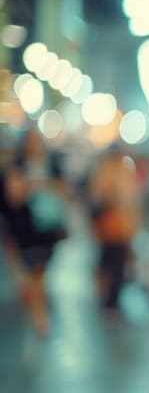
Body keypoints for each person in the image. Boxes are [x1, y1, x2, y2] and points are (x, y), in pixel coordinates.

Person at [2, 130, 68, 335]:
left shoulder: (51, 164)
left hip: (46, 229)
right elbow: (13, 196)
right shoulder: (17, 167)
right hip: (24, 228)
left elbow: (63, 192)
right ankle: (39, 315)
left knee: (39, 274)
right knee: (34, 273)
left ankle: (38, 312)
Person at [90, 145, 142, 310]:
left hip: (120, 228)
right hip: (111, 226)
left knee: (114, 264)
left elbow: (133, 200)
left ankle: (111, 300)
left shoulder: (122, 172)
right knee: (110, 263)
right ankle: (109, 300)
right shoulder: (109, 172)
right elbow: (101, 197)